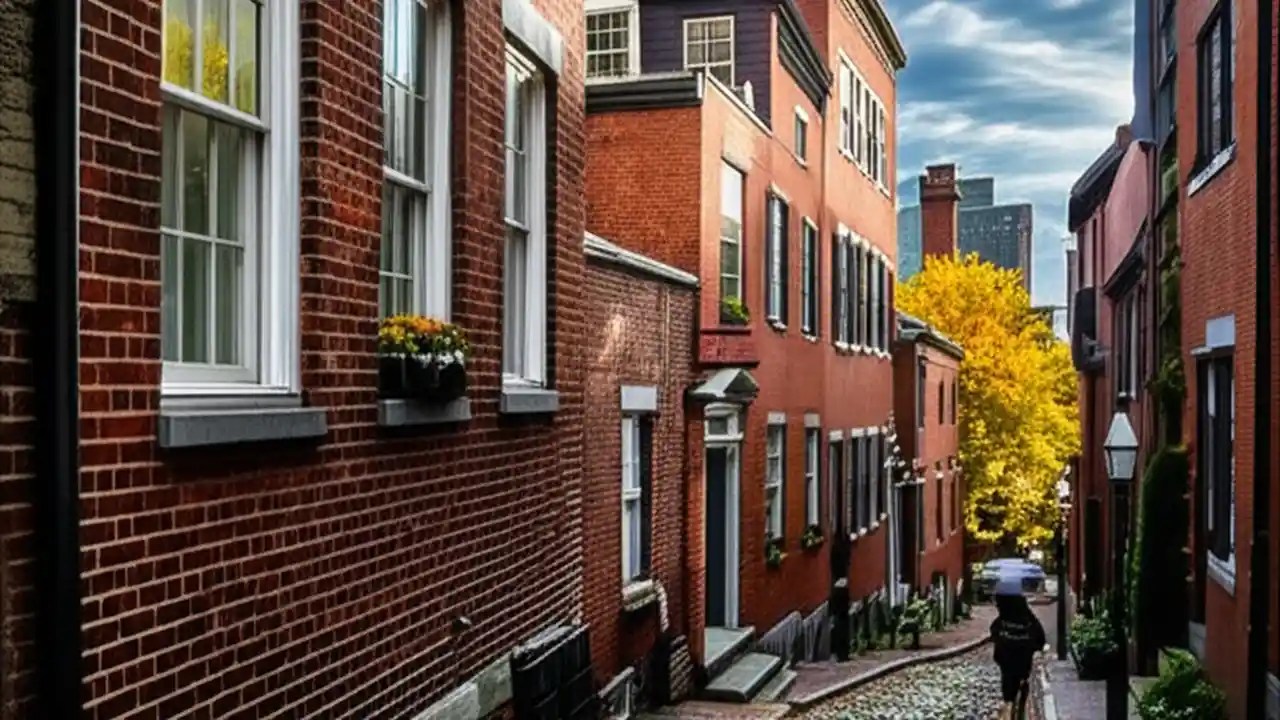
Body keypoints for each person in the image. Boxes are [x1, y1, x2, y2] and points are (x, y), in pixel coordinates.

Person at [990, 579, 1046, 720]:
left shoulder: (1002, 614)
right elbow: (1039, 633)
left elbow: (994, 630)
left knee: (1008, 686)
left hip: (1006, 657)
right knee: (1022, 681)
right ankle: (1018, 709)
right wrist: (1038, 645)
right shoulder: (1024, 611)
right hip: (1023, 657)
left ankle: (1009, 707)